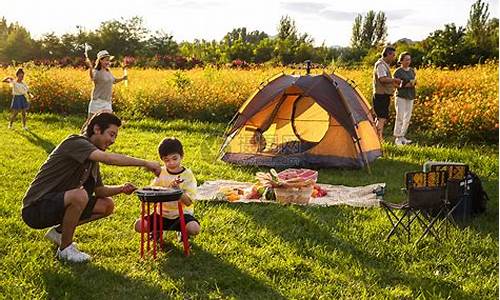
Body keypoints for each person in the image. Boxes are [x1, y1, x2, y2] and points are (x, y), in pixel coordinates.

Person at [21, 112, 161, 263]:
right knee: (79, 195)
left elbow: (99, 190)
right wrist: (145, 163)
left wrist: (122, 188)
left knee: (107, 205)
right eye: (111, 134)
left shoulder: (92, 161)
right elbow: (109, 159)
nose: (113, 140)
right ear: (96, 129)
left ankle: (59, 233)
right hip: (35, 208)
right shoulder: (75, 142)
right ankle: (65, 250)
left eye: (115, 137)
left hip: (57, 204)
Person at [134, 137, 200, 243]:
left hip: (181, 214)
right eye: (166, 160)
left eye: (175, 159)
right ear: (162, 160)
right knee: (138, 225)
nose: (171, 163)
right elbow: (153, 192)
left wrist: (178, 191)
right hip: (161, 214)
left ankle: (183, 232)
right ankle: (157, 230)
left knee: (194, 228)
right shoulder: (161, 172)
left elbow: (188, 202)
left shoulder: (187, 175)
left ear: (182, 156)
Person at [84, 50, 127, 118]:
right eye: (106, 60)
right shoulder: (96, 71)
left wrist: (123, 78)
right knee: (90, 122)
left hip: (107, 102)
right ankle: (85, 129)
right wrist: (90, 68)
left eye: (108, 60)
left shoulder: (108, 71)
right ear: (100, 61)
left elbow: (114, 81)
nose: (108, 62)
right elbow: (92, 78)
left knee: (109, 120)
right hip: (97, 101)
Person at [372, 47, 402, 141]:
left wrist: (395, 85)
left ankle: (376, 137)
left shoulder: (384, 64)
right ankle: (379, 138)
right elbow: (382, 79)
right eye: (393, 55)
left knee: (380, 118)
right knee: (381, 118)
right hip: (381, 95)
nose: (394, 58)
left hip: (382, 94)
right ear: (388, 54)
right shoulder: (380, 65)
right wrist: (394, 80)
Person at [393, 52, 417, 146]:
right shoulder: (398, 71)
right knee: (400, 116)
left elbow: (414, 80)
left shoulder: (412, 70)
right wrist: (404, 85)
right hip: (401, 96)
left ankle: (403, 136)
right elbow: (394, 84)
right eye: (406, 59)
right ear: (401, 61)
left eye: (409, 59)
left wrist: (413, 83)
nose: (408, 61)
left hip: (410, 95)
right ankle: (397, 137)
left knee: (407, 117)